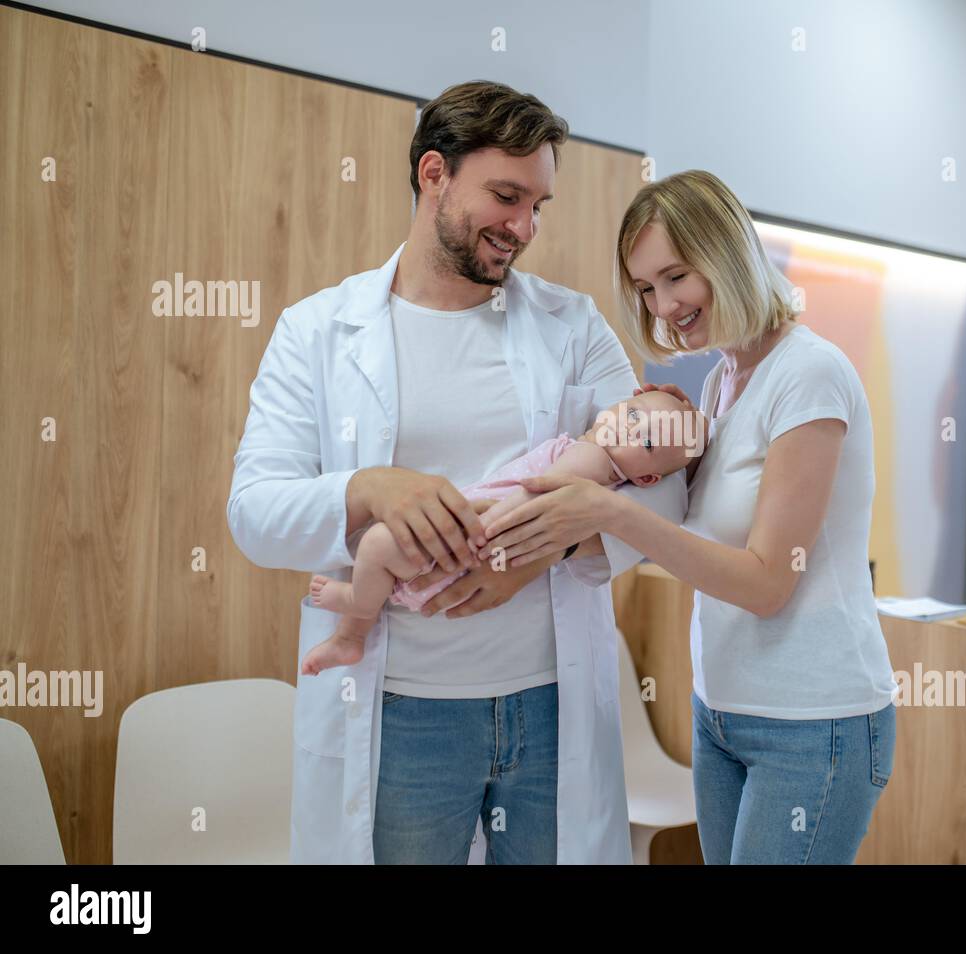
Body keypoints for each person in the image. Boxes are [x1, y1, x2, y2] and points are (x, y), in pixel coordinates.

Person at [226, 81, 686, 864]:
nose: (524, 227)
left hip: (552, 708)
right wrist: (367, 487)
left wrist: (545, 546)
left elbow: (664, 483)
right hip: (403, 717)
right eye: (506, 196)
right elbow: (255, 511)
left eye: (538, 205)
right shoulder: (316, 332)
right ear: (433, 173)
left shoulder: (570, 326)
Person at [480, 170, 899, 864]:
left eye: (676, 276)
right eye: (646, 288)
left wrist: (610, 511)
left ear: (727, 253)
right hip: (722, 714)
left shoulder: (809, 374)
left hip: (814, 724)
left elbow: (767, 584)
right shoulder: (723, 383)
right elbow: (686, 538)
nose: (664, 304)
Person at [301, 390, 707, 674]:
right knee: (390, 556)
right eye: (634, 415)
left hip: (478, 531)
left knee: (377, 543)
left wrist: (483, 533)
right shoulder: (595, 461)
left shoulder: (592, 459)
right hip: (478, 537)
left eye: (648, 442)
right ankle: (353, 630)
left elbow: (538, 497)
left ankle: (355, 614)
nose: (631, 431)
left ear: (648, 476)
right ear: (621, 403)